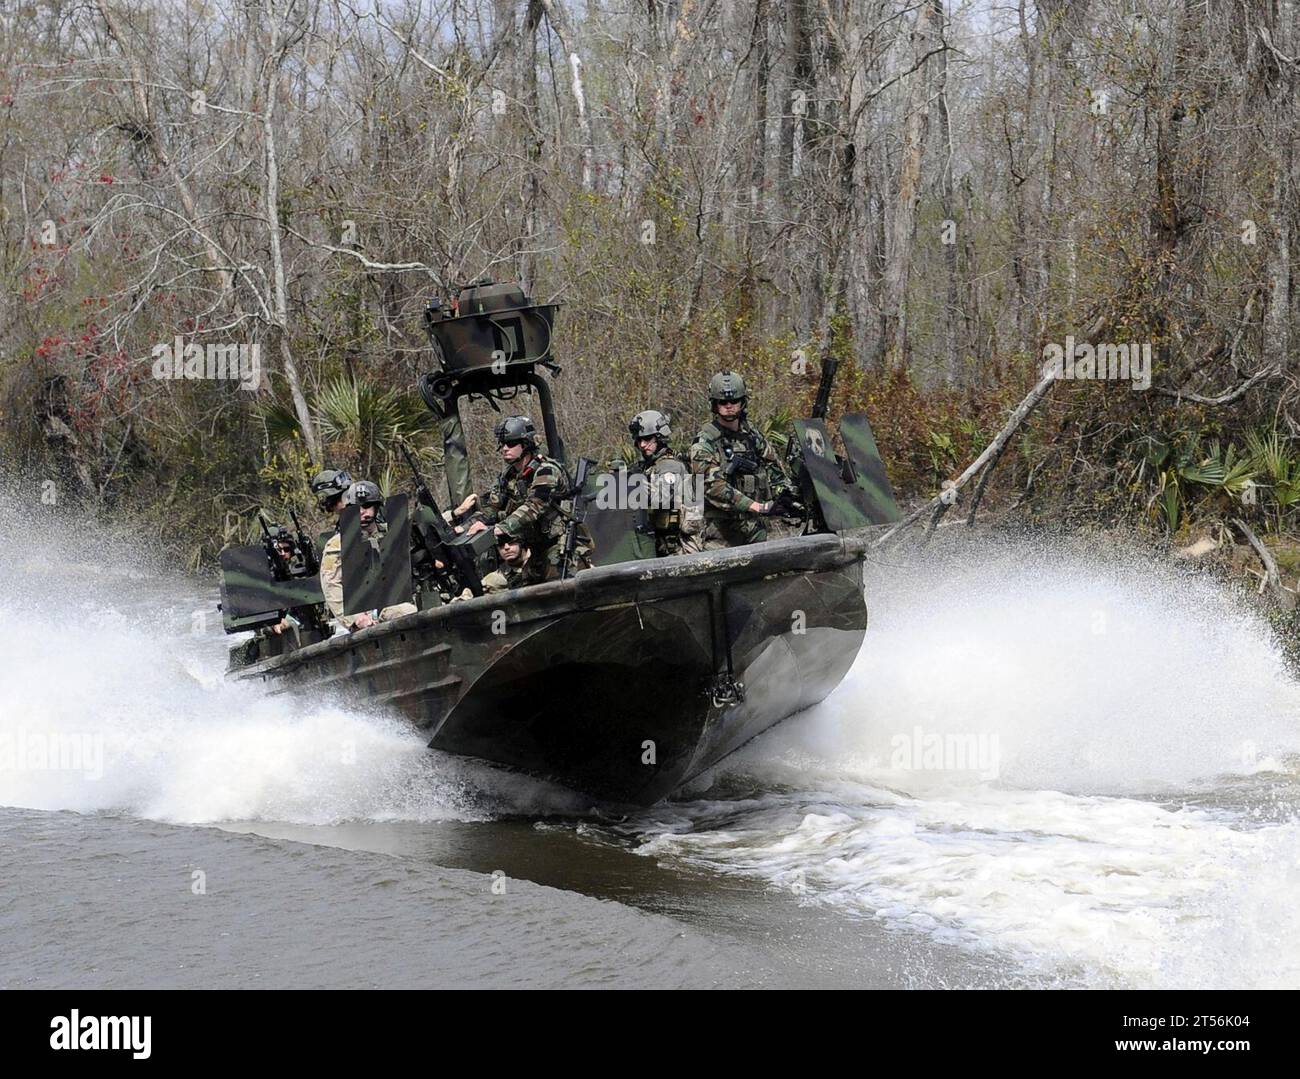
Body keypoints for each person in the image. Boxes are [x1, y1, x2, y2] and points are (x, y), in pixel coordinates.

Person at [454, 415, 588, 575]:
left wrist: (499, 529)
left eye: (511, 443)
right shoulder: (508, 476)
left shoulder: (546, 470)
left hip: (561, 547)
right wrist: (465, 527)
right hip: (535, 548)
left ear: (526, 444)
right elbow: (491, 509)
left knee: (559, 589)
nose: (504, 448)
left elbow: (535, 506)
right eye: (502, 444)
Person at [688, 371, 797, 549]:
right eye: (723, 402)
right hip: (721, 534)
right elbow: (711, 486)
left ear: (742, 402)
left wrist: (783, 496)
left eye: (734, 401)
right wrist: (756, 506)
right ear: (715, 405)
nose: (729, 406)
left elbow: (774, 469)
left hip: (755, 529)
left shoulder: (753, 436)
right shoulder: (705, 441)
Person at [319, 479, 418, 631]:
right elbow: (331, 585)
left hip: (409, 596)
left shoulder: (393, 532)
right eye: (356, 507)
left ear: (376, 507)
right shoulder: (338, 544)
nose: (362, 512)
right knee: (406, 612)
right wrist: (355, 619)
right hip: (372, 610)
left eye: (366, 506)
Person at [627, 409, 699, 557]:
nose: (642, 445)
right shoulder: (649, 466)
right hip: (660, 544)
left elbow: (663, 500)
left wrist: (638, 490)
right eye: (639, 440)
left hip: (679, 547)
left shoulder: (669, 466)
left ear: (659, 438)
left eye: (647, 439)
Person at [481, 531, 555, 593]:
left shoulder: (545, 562)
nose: (506, 547)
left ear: (522, 543)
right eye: (501, 545)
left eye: (511, 542)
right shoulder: (497, 577)